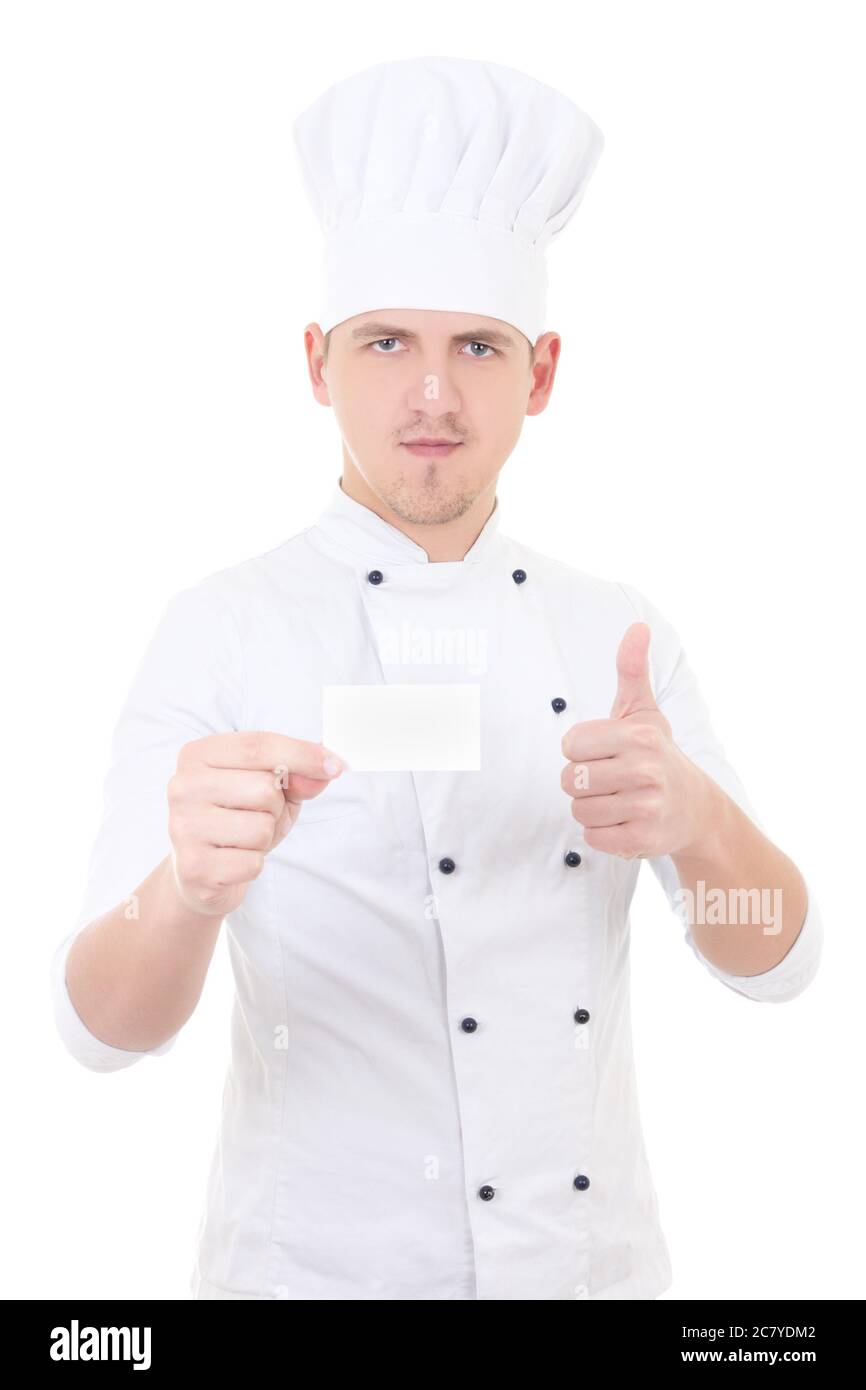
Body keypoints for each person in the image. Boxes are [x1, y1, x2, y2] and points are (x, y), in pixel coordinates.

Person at [50, 56, 823, 1301]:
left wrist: (699, 825)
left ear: (543, 373)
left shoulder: (612, 633)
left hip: (586, 1278)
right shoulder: (224, 630)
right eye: (383, 342)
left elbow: (773, 959)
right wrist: (183, 893)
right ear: (314, 361)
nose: (429, 393)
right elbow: (99, 1030)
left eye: (475, 345)